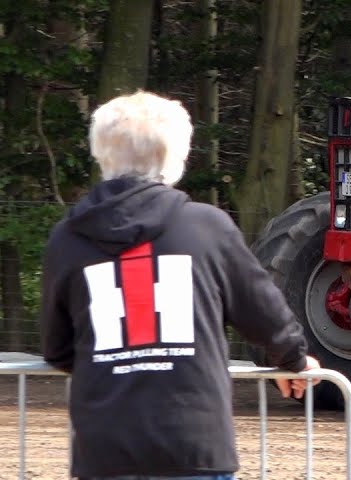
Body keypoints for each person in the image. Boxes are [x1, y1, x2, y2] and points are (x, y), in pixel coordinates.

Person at [40, 90, 320, 480]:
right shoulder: (208, 227)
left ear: (100, 155)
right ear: (177, 158)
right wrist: (293, 360)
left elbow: (57, 349)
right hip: (193, 443)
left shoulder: (67, 239)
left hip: (105, 450)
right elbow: (262, 312)